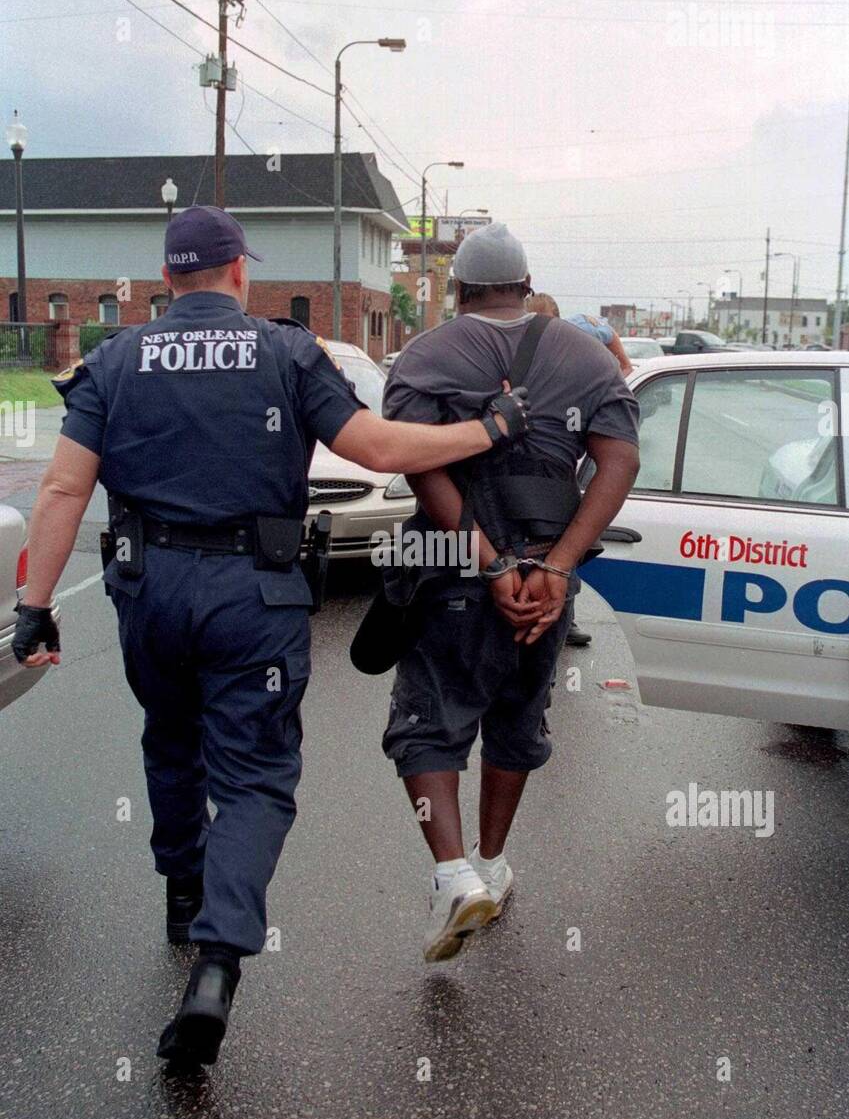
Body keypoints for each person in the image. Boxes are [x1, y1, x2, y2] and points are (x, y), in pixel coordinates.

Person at [11, 206, 529, 1067]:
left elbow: (63, 491)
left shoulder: (115, 358)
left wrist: (36, 606)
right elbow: (374, 446)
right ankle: (216, 962)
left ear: (166, 279)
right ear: (238, 274)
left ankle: (183, 893)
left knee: (171, 741)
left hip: (150, 590)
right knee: (252, 775)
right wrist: (490, 428)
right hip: (254, 594)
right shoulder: (286, 351)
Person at [380, 222, 639, 962]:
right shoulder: (584, 353)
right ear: (526, 287)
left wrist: (489, 562)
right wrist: (554, 568)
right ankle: (492, 861)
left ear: (458, 289)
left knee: (429, 720)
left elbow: (417, 466)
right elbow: (618, 459)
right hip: (548, 571)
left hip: (455, 567)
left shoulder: (428, 354)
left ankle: (455, 874)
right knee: (517, 716)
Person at [524, 295, 633, 647]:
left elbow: (625, 366)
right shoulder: (521, 354)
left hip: (564, 464)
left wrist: (600, 389)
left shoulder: (583, 331)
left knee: (563, 549)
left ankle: (564, 616)